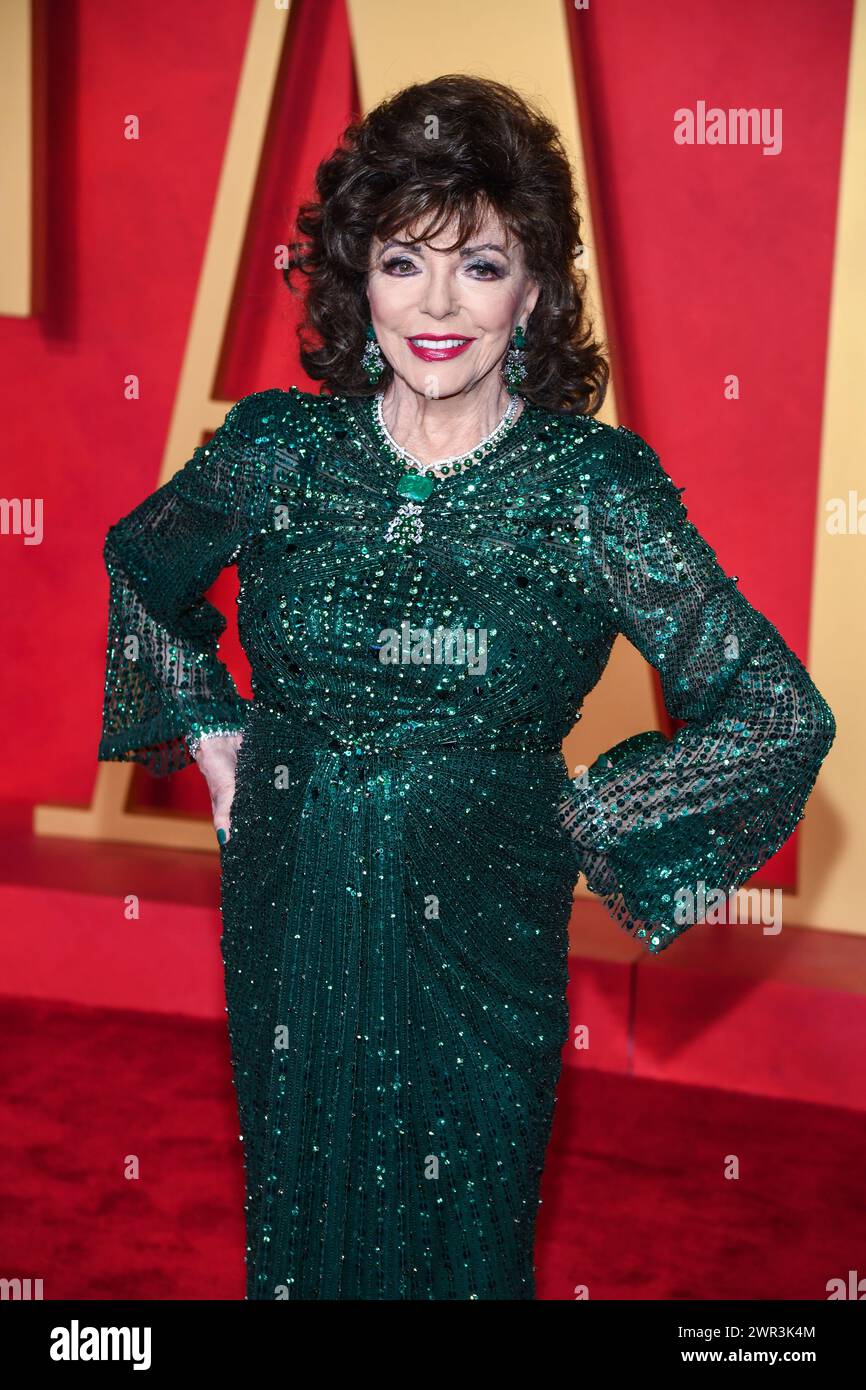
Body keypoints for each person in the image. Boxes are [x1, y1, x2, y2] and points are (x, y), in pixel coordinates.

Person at [98, 75, 836, 1300]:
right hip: (292, 896)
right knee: (300, 1202)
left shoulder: (590, 486)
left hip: (481, 927)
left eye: (479, 266)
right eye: (402, 262)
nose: (437, 305)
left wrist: (594, 817)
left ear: (534, 287)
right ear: (356, 279)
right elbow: (140, 563)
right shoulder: (277, 445)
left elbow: (775, 712)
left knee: (461, 1230)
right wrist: (216, 735)